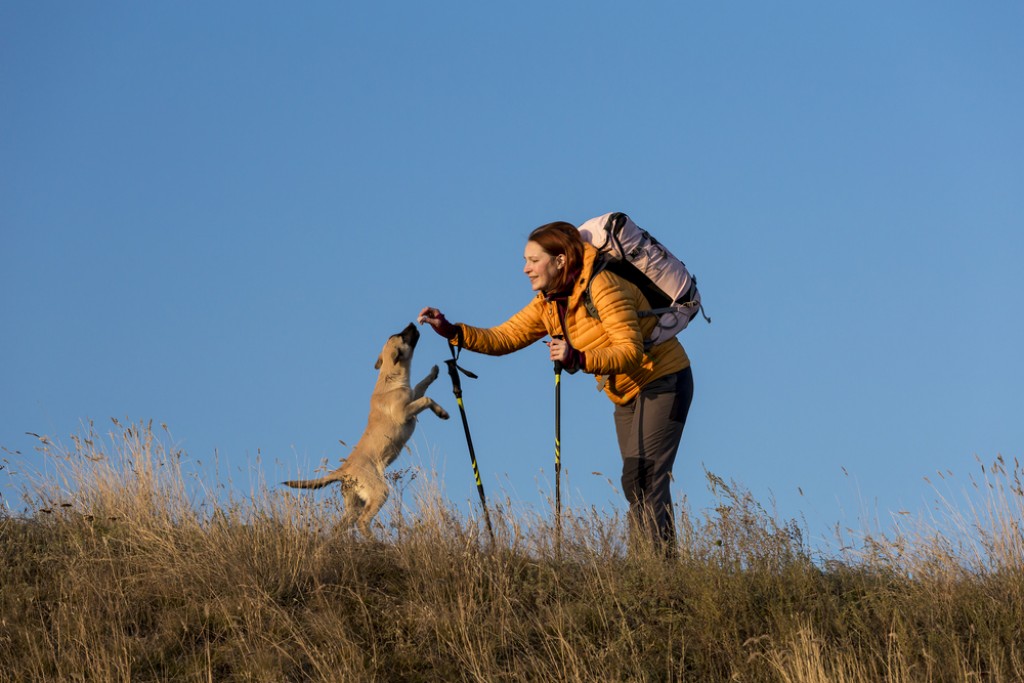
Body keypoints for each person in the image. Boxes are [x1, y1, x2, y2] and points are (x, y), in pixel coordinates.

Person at [418, 221, 693, 554]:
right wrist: (450, 330)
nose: (526, 268)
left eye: (534, 260)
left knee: (646, 476)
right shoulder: (550, 302)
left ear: (560, 260)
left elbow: (630, 351)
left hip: (664, 379)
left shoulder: (603, 285)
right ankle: (646, 567)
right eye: (526, 260)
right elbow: (505, 337)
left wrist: (578, 358)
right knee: (635, 480)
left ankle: (660, 569)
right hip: (625, 392)